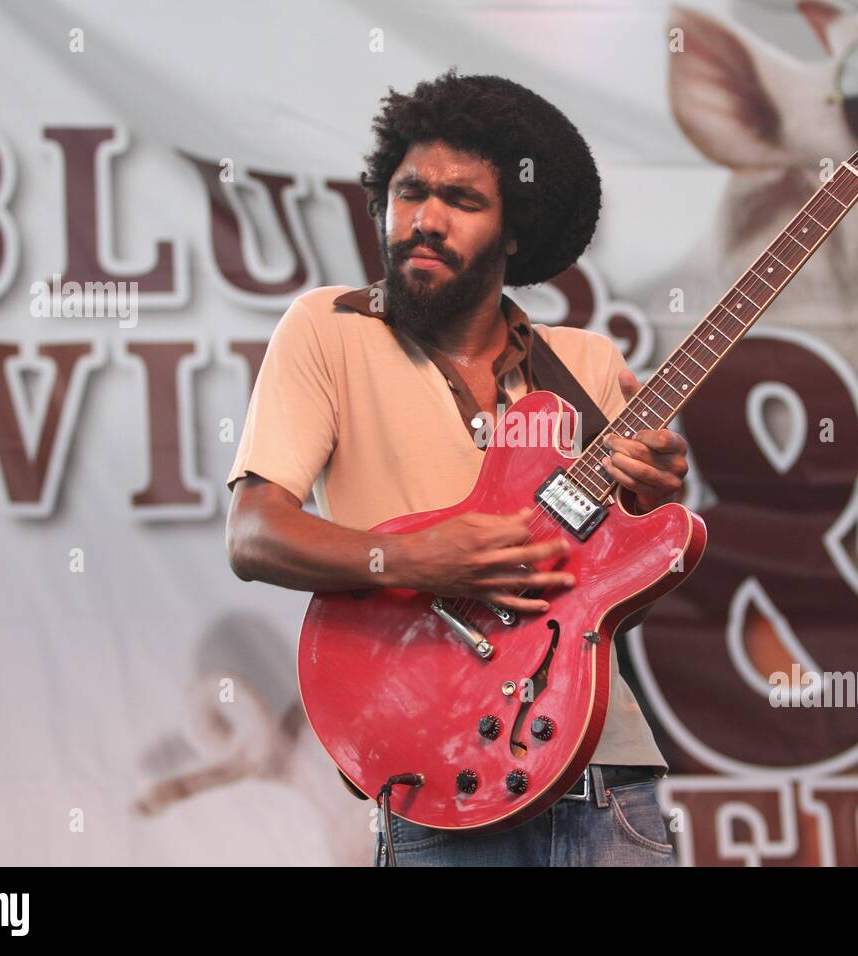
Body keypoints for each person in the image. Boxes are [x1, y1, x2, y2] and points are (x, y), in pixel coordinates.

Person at [225, 69, 689, 866]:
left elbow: (598, 604)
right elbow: (255, 536)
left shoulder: (584, 362)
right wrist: (417, 557)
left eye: (462, 201)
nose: (424, 221)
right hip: (442, 780)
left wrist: (654, 494)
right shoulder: (326, 330)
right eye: (409, 194)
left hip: (607, 780)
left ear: (515, 229)